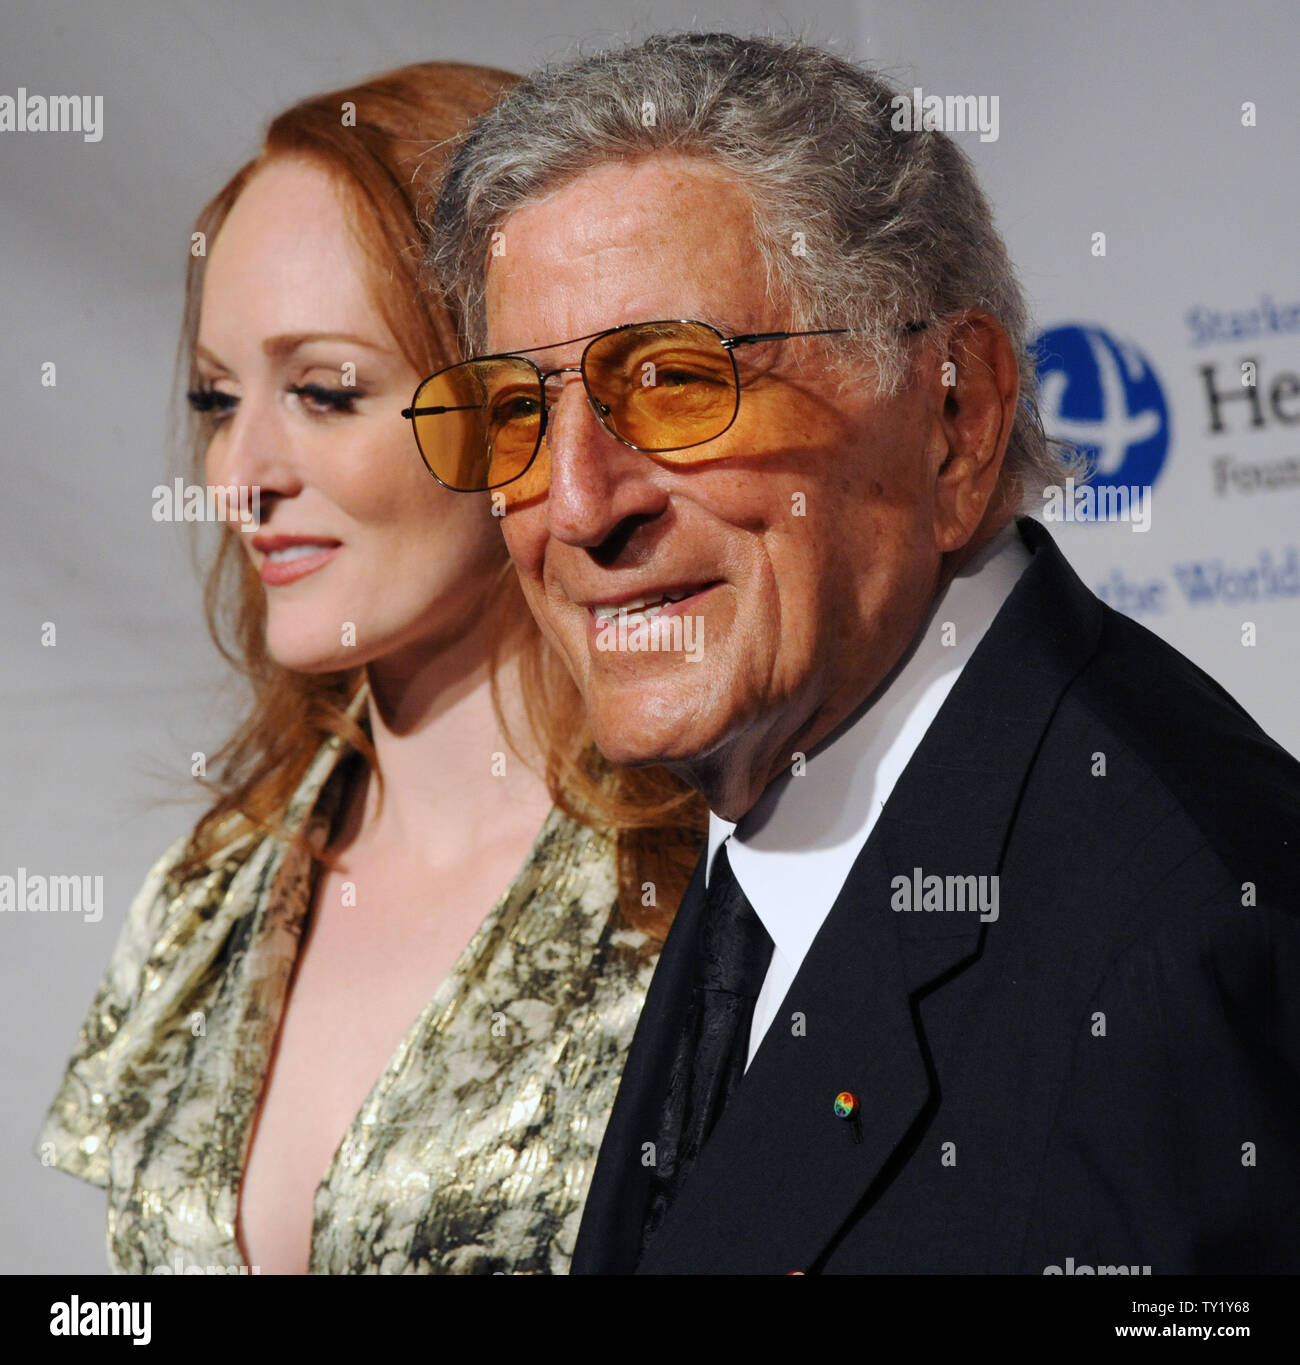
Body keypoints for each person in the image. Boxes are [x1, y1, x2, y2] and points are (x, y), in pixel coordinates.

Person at [424, 32, 1300, 1274]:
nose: (575, 504)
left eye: (674, 381)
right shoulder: (767, 820)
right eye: (519, 410)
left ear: (955, 415)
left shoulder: (1180, 951)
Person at [34, 61, 704, 1277]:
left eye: (325, 392)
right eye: (215, 397)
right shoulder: (209, 902)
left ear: (514, 403)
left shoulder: (716, 892)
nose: (241, 474)